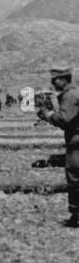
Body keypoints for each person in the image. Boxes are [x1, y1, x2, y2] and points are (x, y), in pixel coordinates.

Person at [37, 64, 79, 227]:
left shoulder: (70, 95)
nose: (53, 83)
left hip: (76, 142)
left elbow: (65, 119)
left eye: (55, 80)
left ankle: (76, 217)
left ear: (62, 80)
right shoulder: (74, 93)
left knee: (75, 178)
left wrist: (48, 115)